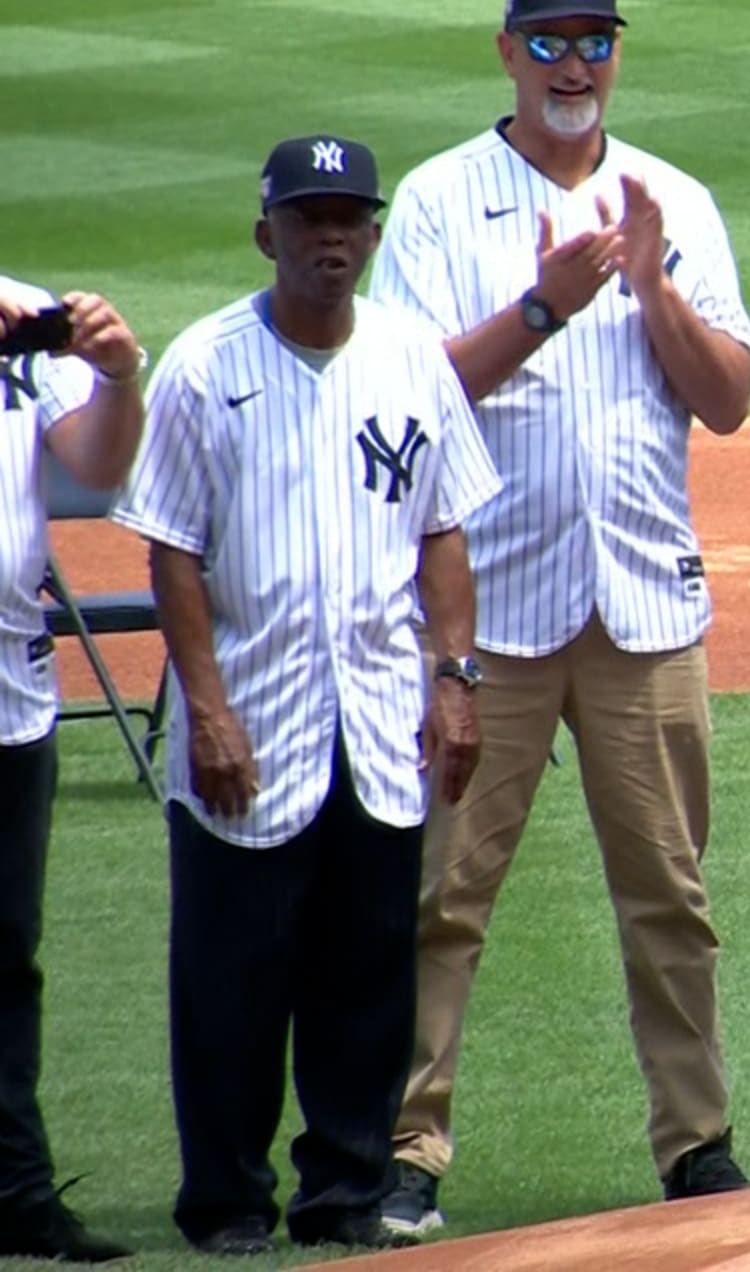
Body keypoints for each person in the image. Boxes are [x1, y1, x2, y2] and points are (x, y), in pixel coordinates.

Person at [368, 0, 750, 1236]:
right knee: (443, 895)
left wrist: (651, 288)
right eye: (548, 41)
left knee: (671, 899)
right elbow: (410, 392)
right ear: (507, 53)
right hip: (487, 613)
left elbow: (725, 399)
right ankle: (408, 1146)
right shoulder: (439, 202)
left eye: (594, 39)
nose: (574, 63)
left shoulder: (675, 201)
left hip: (644, 605)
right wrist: (543, 305)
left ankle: (695, 1143)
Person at [114, 136, 498, 1255]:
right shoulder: (205, 365)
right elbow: (173, 551)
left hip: (375, 719)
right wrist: (208, 710)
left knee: (367, 977)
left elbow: (444, 529)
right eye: (307, 218)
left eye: (348, 218)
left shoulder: (412, 357)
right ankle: (227, 1200)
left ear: (372, 235)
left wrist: (455, 679)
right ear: (265, 233)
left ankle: (344, 1191)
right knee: (230, 981)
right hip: (253, 715)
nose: (331, 237)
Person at [0, 280, 144, 1264]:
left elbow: (98, 462)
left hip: (12, 696)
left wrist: (117, 377)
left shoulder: (23, 312)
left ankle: (15, 1194)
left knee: (7, 953)